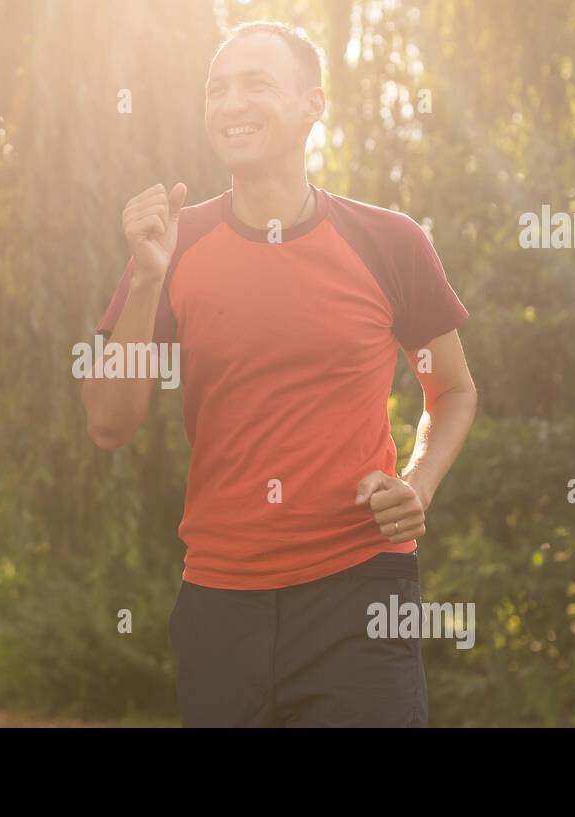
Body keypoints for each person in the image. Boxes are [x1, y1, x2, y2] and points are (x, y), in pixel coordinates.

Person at [81, 20, 477, 727]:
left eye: (256, 84)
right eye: (217, 89)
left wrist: (419, 482)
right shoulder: (174, 247)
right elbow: (109, 423)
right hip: (220, 601)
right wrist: (146, 282)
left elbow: (451, 390)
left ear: (312, 105)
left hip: (362, 592)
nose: (232, 102)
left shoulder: (389, 242)